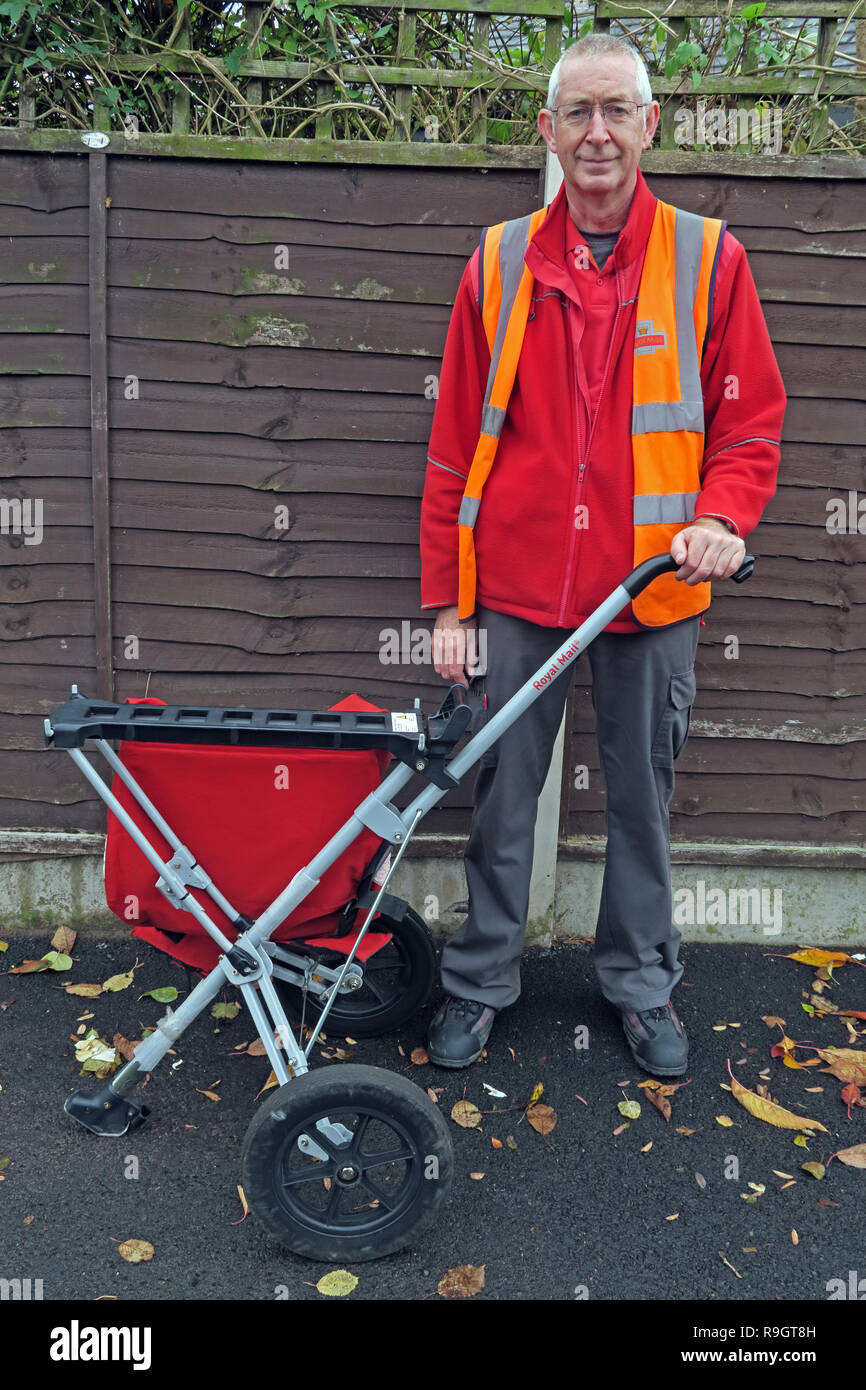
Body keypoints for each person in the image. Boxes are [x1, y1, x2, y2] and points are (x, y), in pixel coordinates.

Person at [418, 33, 786, 1076]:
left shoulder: (711, 260)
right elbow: (452, 446)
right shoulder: (495, 263)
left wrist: (721, 517)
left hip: (653, 589)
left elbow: (748, 423)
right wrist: (449, 605)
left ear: (647, 126)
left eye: (614, 111)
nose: (594, 134)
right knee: (499, 794)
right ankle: (479, 979)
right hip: (521, 588)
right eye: (574, 113)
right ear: (545, 130)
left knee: (641, 800)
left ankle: (638, 983)